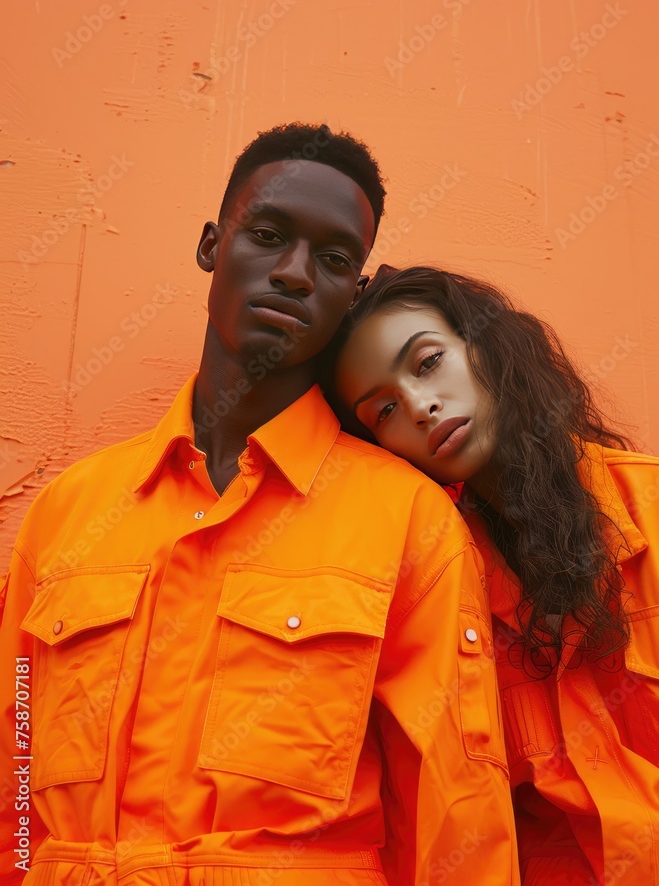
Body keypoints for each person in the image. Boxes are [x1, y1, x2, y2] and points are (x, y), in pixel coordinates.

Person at [0, 128, 519, 886]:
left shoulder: (404, 519)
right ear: (214, 244)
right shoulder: (69, 512)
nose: (295, 274)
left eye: (334, 260)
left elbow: (455, 811)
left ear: (351, 291)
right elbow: (15, 783)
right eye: (268, 236)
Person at [328, 263, 659, 886]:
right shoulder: (442, 592)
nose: (421, 407)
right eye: (384, 410)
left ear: (485, 343)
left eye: (427, 363)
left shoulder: (650, 503)